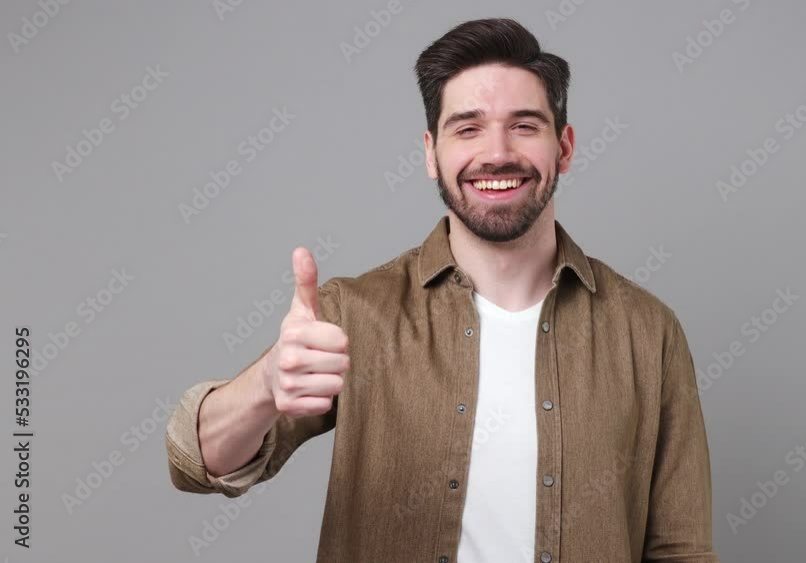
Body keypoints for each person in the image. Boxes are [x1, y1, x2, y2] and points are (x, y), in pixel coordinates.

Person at [165, 17, 718, 563]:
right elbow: (195, 460)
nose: (496, 153)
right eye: (468, 127)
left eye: (524, 125)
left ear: (564, 147)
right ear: (431, 152)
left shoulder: (648, 332)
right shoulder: (354, 316)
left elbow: (681, 549)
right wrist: (265, 384)